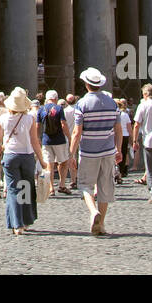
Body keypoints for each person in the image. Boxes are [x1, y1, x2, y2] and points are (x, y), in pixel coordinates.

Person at [71, 68, 122, 236]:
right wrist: (119, 149)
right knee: (105, 186)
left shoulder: (82, 104)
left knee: (85, 184)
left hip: (88, 152)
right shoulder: (112, 103)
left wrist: (71, 153)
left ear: (86, 84)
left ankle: (93, 212)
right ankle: (101, 225)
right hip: (108, 150)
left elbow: (77, 132)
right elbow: (118, 129)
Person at [0, 88, 45, 235]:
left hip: (10, 156)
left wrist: (0, 150)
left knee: (13, 190)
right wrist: (42, 160)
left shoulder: (3, 118)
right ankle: (25, 221)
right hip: (27, 156)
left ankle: (16, 224)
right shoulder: (29, 118)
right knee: (25, 188)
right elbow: (34, 141)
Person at [37, 90, 72, 194]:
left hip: (46, 140)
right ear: (56, 99)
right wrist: (69, 137)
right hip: (59, 140)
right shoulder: (59, 108)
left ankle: (51, 188)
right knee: (64, 161)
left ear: (47, 99)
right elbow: (63, 124)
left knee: (49, 164)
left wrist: (38, 138)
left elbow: (37, 126)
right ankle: (62, 185)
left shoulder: (41, 109)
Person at [63, 93, 82, 188]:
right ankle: (81, 178)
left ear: (67, 101)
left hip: (69, 137)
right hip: (80, 136)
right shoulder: (79, 109)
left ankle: (73, 179)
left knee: (71, 158)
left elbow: (63, 125)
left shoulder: (65, 111)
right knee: (81, 158)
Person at [114, 98, 133, 181]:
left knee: (113, 154)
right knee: (123, 154)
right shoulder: (124, 115)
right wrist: (132, 138)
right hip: (124, 136)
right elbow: (129, 128)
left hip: (114, 136)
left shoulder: (112, 113)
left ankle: (115, 171)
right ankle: (120, 173)